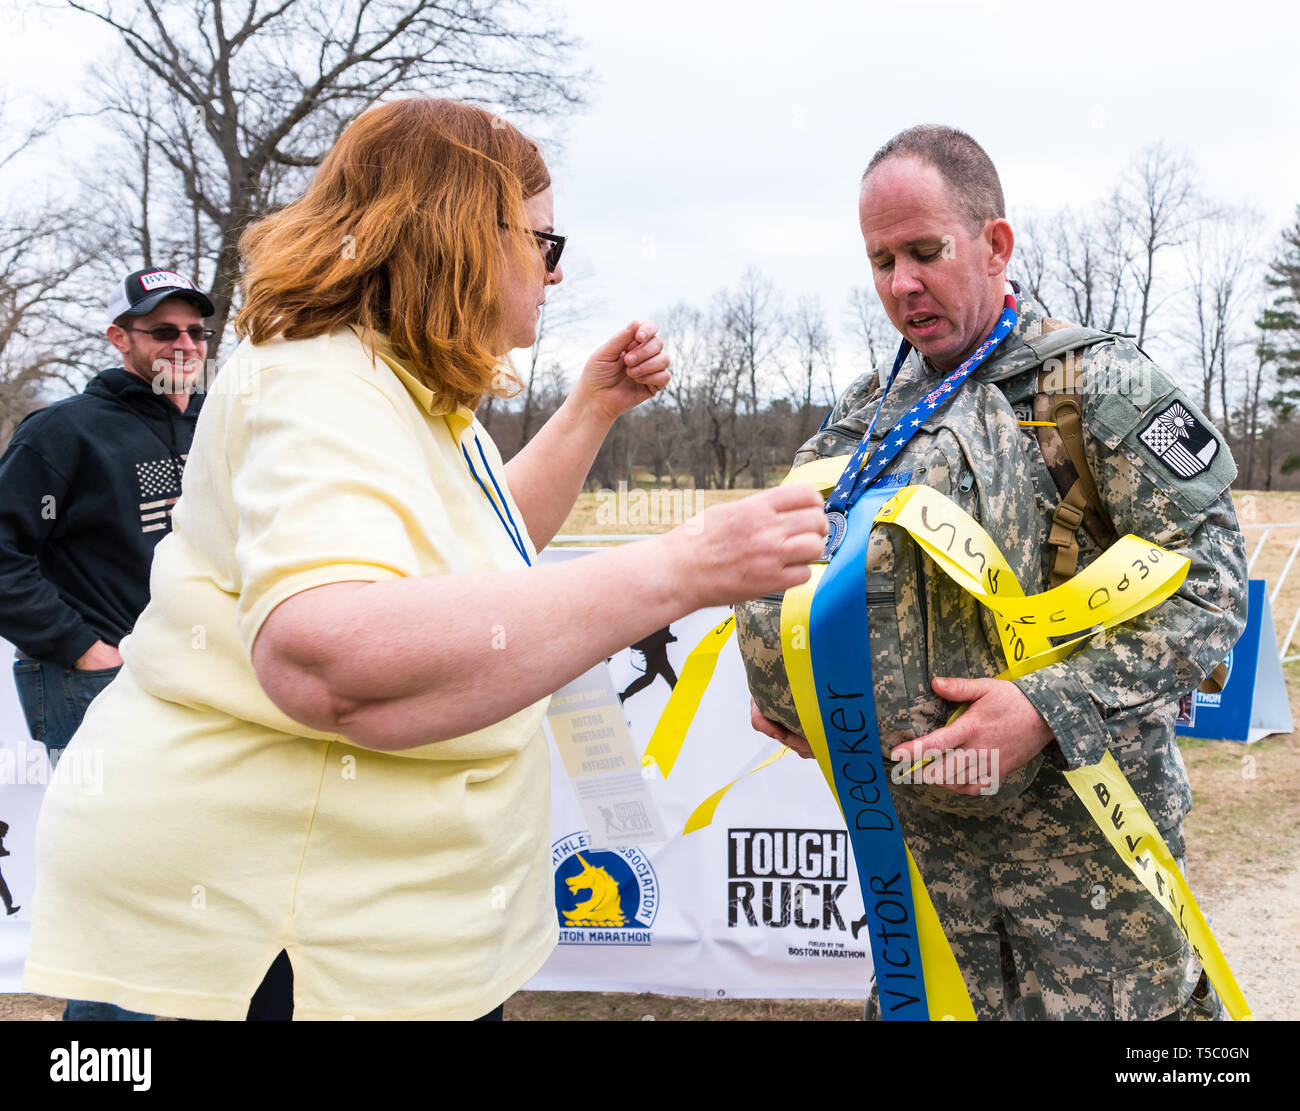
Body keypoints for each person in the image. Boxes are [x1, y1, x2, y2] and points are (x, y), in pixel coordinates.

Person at [22, 97, 828, 1021]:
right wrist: (678, 567)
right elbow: (329, 654)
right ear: (460, 234)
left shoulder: (398, 386)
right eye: (545, 243)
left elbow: (488, 561)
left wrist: (590, 410)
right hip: (275, 941)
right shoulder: (322, 382)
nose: (553, 276)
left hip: (360, 935)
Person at [747, 125, 1247, 1020]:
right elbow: (798, 557)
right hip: (930, 885)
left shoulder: (1099, 387)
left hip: (1089, 883)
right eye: (881, 259)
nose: (902, 284)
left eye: (925, 251)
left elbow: (1209, 589)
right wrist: (796, 681)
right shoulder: (870, 414)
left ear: (995, 243)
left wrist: (1046, 707)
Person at [1, 266, 214, 1021]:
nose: (184, 344)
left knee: (196, 889)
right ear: (119, 337)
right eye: (163, 331)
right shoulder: (62, 432)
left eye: (195, 330)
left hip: (204, 686)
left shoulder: (220, 427)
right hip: (96, 684)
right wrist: (80, 644)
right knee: (126, 890)